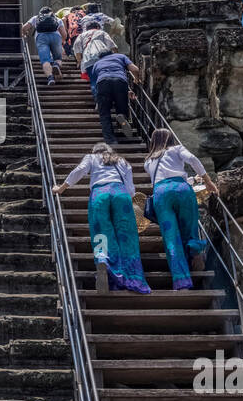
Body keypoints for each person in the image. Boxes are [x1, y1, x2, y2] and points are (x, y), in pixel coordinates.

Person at [53, 145, 151, 295]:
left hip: (100, 193)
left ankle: (103, 260)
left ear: (94, 151)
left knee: (101, 231)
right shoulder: (122, 161)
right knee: (127, 236)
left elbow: (79, 171)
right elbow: (131, 189)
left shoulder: (91, 158)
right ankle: (133, 277)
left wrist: (61, 188)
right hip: (121, 194)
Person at [145, 128, 219, 290]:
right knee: (190, 227)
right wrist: (207, 182)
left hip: (162, 195)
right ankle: (195, 251)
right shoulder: (176, 149)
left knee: (171, 239)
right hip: (182, 191)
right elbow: (192, 160)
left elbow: (164, 179)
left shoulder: (148, 161)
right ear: (170, 139)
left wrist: (192, 179)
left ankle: (181, 281)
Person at [87, 49, 140, 145]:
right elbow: (135, 69)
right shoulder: (120, 56)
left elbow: (94, 85)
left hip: (102, 82)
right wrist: (136, 79)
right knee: (122, 105)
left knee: (105, 113)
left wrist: (97, 100)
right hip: (120, 81)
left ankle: (111, 140)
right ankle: (121, 116)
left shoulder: (97, 63)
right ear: (112, 53)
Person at [23, 6, 67, 85]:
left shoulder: (35, 18)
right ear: (52, 12)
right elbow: (64, 34)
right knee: (58, 58)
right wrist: (62, 42)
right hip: (55, 37)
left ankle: (50, 78)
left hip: (41, 38)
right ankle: (56, 64)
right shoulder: (57, 19)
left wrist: (25, 33)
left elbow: (24, 28)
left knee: (45, 60)